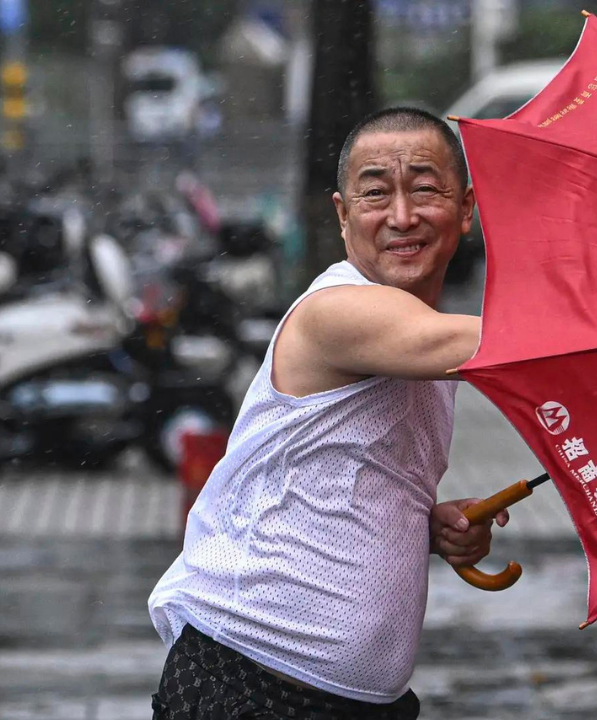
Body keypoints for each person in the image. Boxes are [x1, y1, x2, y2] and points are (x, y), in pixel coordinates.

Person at [147, 107, 506, 720]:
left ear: (467, 209)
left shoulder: (428, 336)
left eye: (425, 189)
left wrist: (426, 526)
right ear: (343, 216)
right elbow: (498, 345)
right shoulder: (336, 311)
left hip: (359, 702)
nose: (401, 216)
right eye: (375, 194)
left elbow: (343, 480)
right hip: (247, 688)